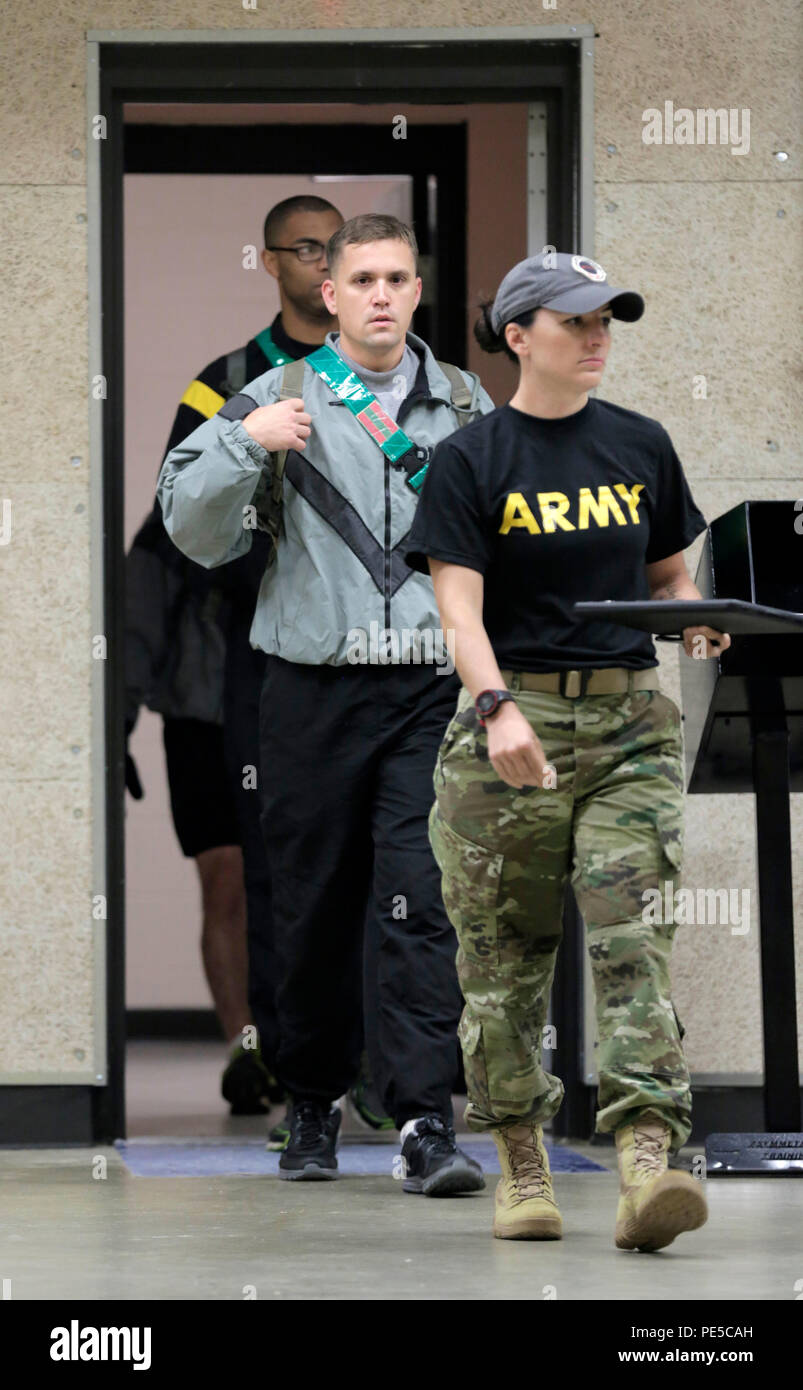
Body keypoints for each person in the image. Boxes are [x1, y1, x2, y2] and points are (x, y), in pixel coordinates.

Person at [157, 213, 496, 1193]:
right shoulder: (272, 394)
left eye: (398, 277)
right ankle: (309, 1101)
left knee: (418, 904)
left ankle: (424, 1118)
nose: (381, 295)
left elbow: (498, 548)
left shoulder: (465, 406)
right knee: (309, 903)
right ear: (330, 295)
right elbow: (193, 531)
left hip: (426, 690)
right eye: (363, 279)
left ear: (415, 292)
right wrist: (241, 443)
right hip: (307, 686)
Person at [404, 250, 730, 1246]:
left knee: (633, 944)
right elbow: (457, 608)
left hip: (631, 725)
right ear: (516, 336)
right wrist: (495, 705)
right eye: (574, 322)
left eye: (605, 321)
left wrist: (693, 616)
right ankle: (519, 1162)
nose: (595, 338)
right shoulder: (472, 458)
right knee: (503, 958)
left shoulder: (639, 443)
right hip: (517, 720)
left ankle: (644, 1161)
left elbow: (670, 570)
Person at [125, 196, 344, 1120]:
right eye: (307, 248)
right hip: (219, 678)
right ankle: (252, 1052)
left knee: (340, 869)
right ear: (269, 262)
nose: (324, 263)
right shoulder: (222, 381)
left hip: (338, 666)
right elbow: (179, 522)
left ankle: (342, 1059)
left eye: (340, 248)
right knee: (231, 872)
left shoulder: (385, 377)